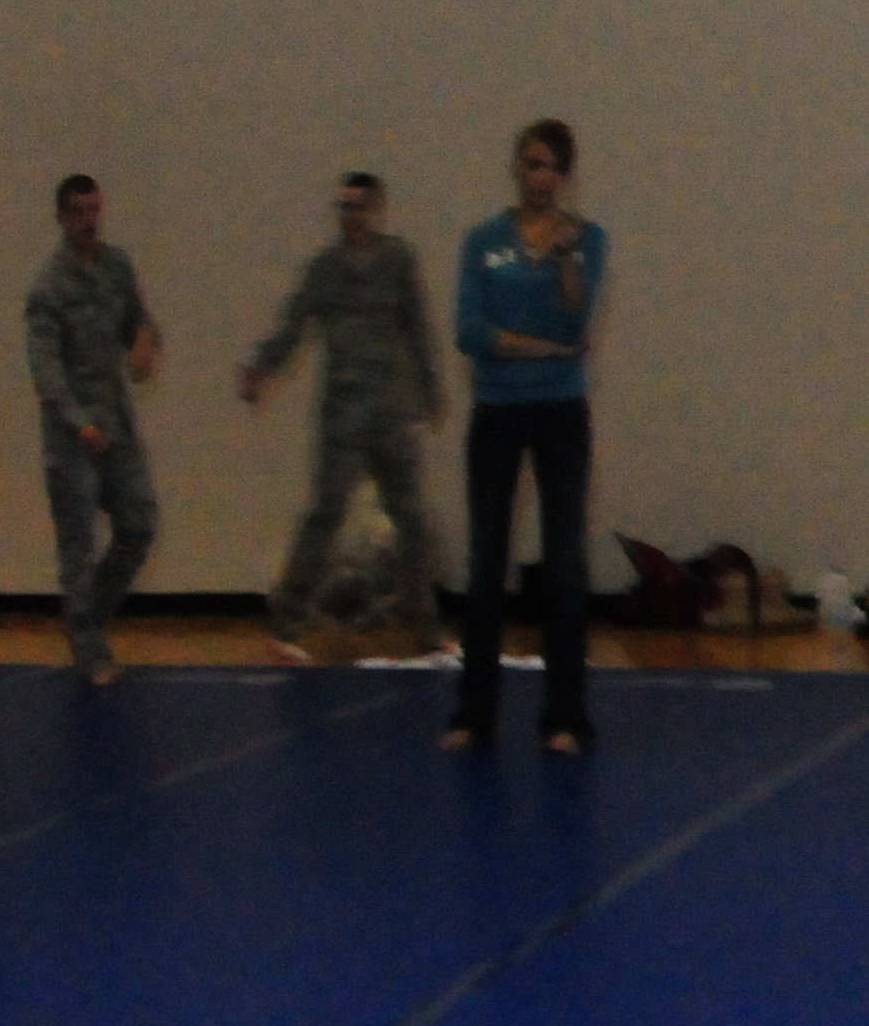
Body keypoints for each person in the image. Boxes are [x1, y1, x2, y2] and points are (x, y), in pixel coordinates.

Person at [448, 120, 607, 755]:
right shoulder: (483, 241)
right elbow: (470, 330)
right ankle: (473, 713)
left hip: (560, 410)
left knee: (564, 564)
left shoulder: (587, 239)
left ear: (563, 175)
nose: (534, 176)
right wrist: (540, 346)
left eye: (545, 166)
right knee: (487, 565)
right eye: (525, 164)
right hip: (496, 410)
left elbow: (577, 312)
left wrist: (565, 256)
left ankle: (565, 716)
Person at [244, 170, 445, 658]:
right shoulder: (325, 268)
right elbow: (294, 323)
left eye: (358, 207)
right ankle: (287, 625)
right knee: (325, 515)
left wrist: (430, 388)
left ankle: (426, 628)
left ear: (377, 210)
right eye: (343, 208)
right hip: (343, 413)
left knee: (413, 519)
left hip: (391, 411)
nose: (350, 216)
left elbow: (417, 326)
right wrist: (263, 367)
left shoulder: (398, 260)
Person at [24, 174, 162, 683]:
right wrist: (78, 424)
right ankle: (89, 650)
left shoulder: (117, 268)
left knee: (140, 525)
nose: (89, 220)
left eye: (95, 209)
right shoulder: (49, 287)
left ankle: (88, 623)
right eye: (79, 212)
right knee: (78, 548)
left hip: (117, 427)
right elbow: (46, 371)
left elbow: (140, 324)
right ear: (61, 218)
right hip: (73, 439)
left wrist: (146, 341)